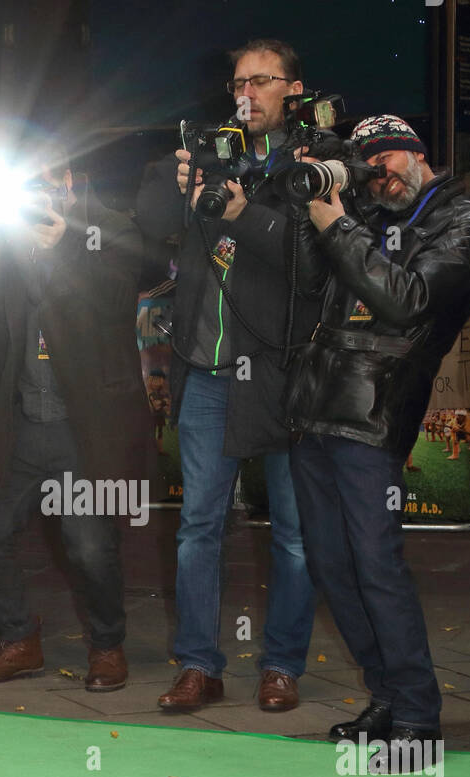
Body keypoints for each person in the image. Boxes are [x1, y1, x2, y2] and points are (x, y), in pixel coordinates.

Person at [284, 114, 470, 762]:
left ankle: (419, 718)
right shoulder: (367, 213)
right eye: (368, 165)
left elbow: (406, 299)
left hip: (375, 412)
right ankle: (386, 695)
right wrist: (313, 204)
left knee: (376, 565)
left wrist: (335, 221)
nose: (382, 176)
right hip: (316, 404)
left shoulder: (464, 222)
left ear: (419, 152)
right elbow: (307, 282)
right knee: (330, 563)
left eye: (390, 161)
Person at [135, 38, 317, 713]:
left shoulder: (311, 162)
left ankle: (282, 665)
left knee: (296, 532)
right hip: (206, 370)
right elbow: (148, 226)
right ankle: (197, 664)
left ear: (292, 90)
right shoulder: (198, 158)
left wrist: (249, 209)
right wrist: (180, 186)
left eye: (262, 81)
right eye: (238, 81)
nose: (247, 93)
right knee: (198, 526)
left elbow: (311, 256)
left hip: (280, 371)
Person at [0, 149, 153, 691]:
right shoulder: (7, 236)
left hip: (85, 426)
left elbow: (115, 303)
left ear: (67, 181)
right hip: (21, 419)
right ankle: (20, 639)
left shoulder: (112, 229)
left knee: (90, 545)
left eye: (41, 185)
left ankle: (108, 646)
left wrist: (64, 246)